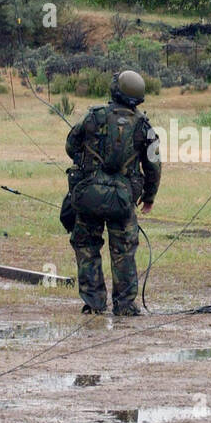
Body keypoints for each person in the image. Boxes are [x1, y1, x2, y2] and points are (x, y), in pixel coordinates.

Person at [64, 70, 161, 316]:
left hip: (89, 197)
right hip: (123, 199)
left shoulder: (93, 116)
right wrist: (148, 197)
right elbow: (153, 166)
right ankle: (125, 305)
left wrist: (88, 164)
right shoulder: (145, 128)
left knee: (86, 246)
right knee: (124, 250)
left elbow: (70, 146)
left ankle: (94, 303)